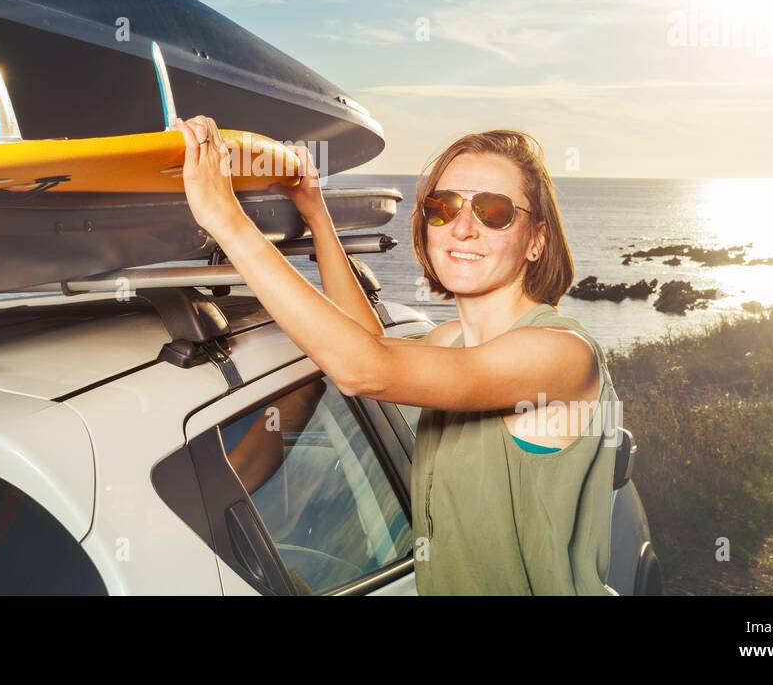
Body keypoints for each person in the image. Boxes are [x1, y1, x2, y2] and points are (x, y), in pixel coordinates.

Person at [175, 117, 620, 595]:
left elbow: (364, 369)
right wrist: (315, 213)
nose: (464, 227)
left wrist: (226, 220)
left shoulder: (562, 355)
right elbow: (369, 342)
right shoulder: (451, 341)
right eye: (444, 207)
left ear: (537, 240)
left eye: (494, 210)